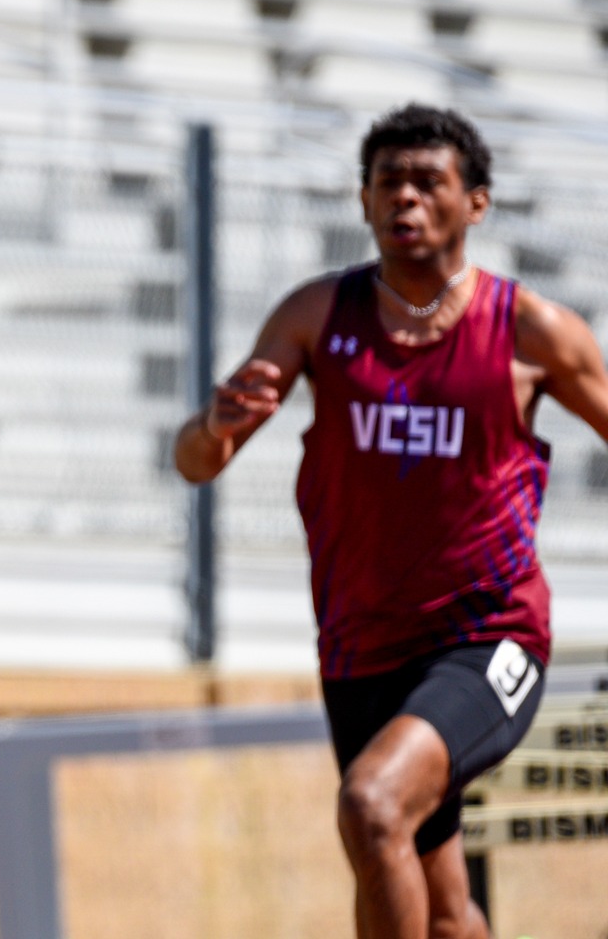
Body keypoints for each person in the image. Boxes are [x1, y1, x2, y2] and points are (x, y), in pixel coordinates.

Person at [173, 104, 608, 939]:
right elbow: (197, 462)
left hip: (490, 638)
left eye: (427, 182)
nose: (405, 197)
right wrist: (213, 424)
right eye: (388, 182)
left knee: (373, 805)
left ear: (476, 203)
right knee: (441, 910)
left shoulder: (530, 331)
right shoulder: (316, 316)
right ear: (363, 200)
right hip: (361, 647)